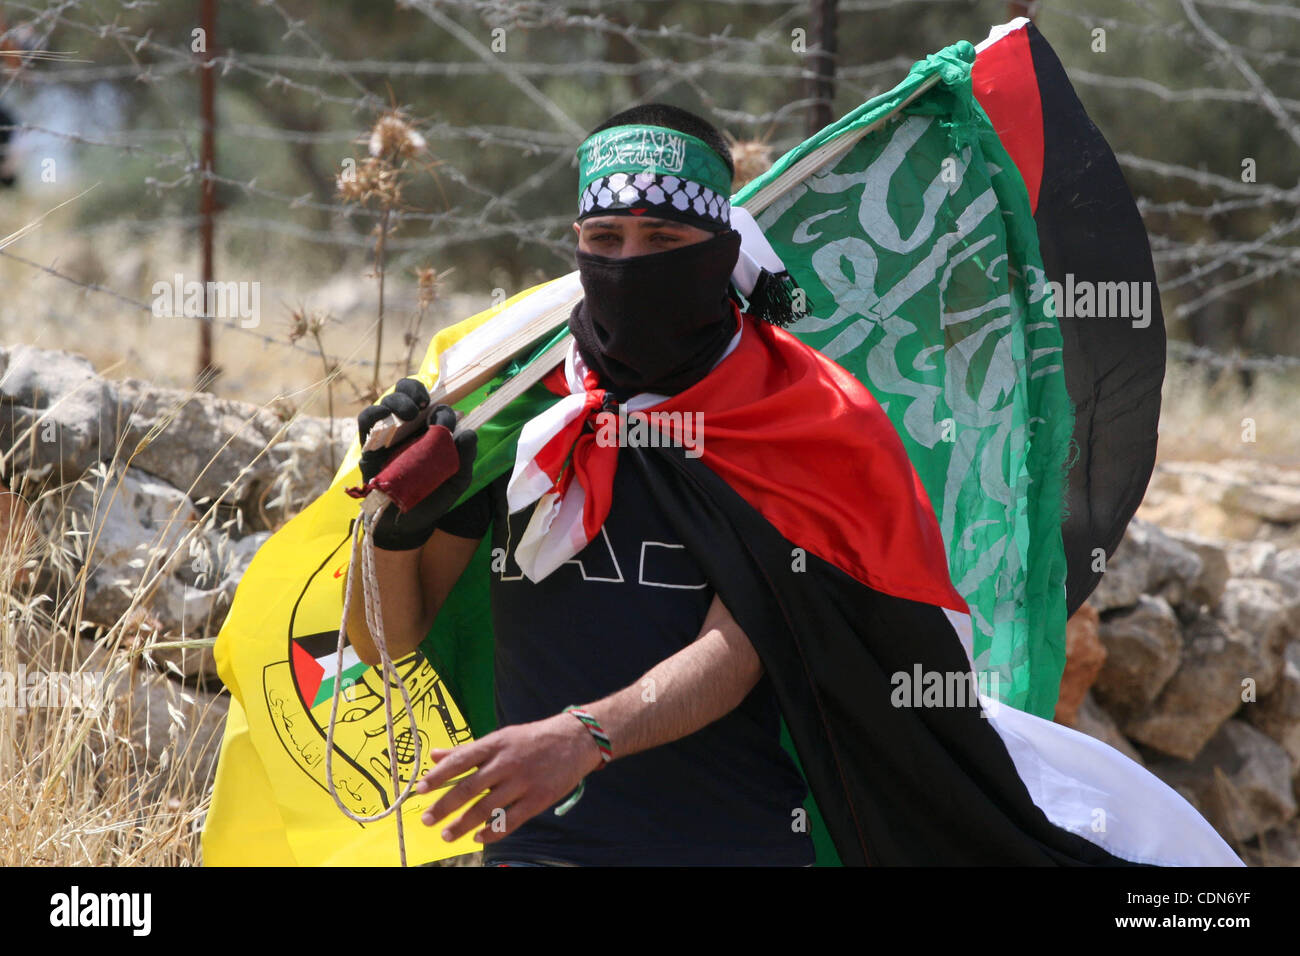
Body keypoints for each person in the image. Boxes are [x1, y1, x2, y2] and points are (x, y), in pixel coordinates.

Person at [346, 104, 815, 866]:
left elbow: (739, 650)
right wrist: (392, 523)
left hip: (730, 845)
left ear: (720, 249)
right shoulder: (517, 406)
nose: (630, 262)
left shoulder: (777, 416)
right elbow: (385, 639)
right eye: (606, 239)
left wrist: (581, 739)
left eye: (662, 240)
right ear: (577, 244)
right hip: (542, 848)